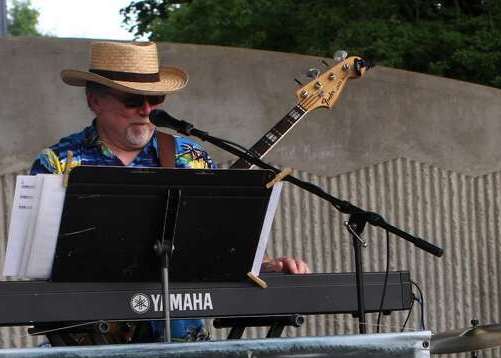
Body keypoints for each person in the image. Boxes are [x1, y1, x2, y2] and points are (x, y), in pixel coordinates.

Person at [30, 41, 309, 341]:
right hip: (86, 341)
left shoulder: (189, 156)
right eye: (131, 100)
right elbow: (41, 264)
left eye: (155, 99)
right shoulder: (57, 163)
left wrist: (263, 265)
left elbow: (223, 238)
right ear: (95, 100)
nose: (145, 110)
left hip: (179, 343)